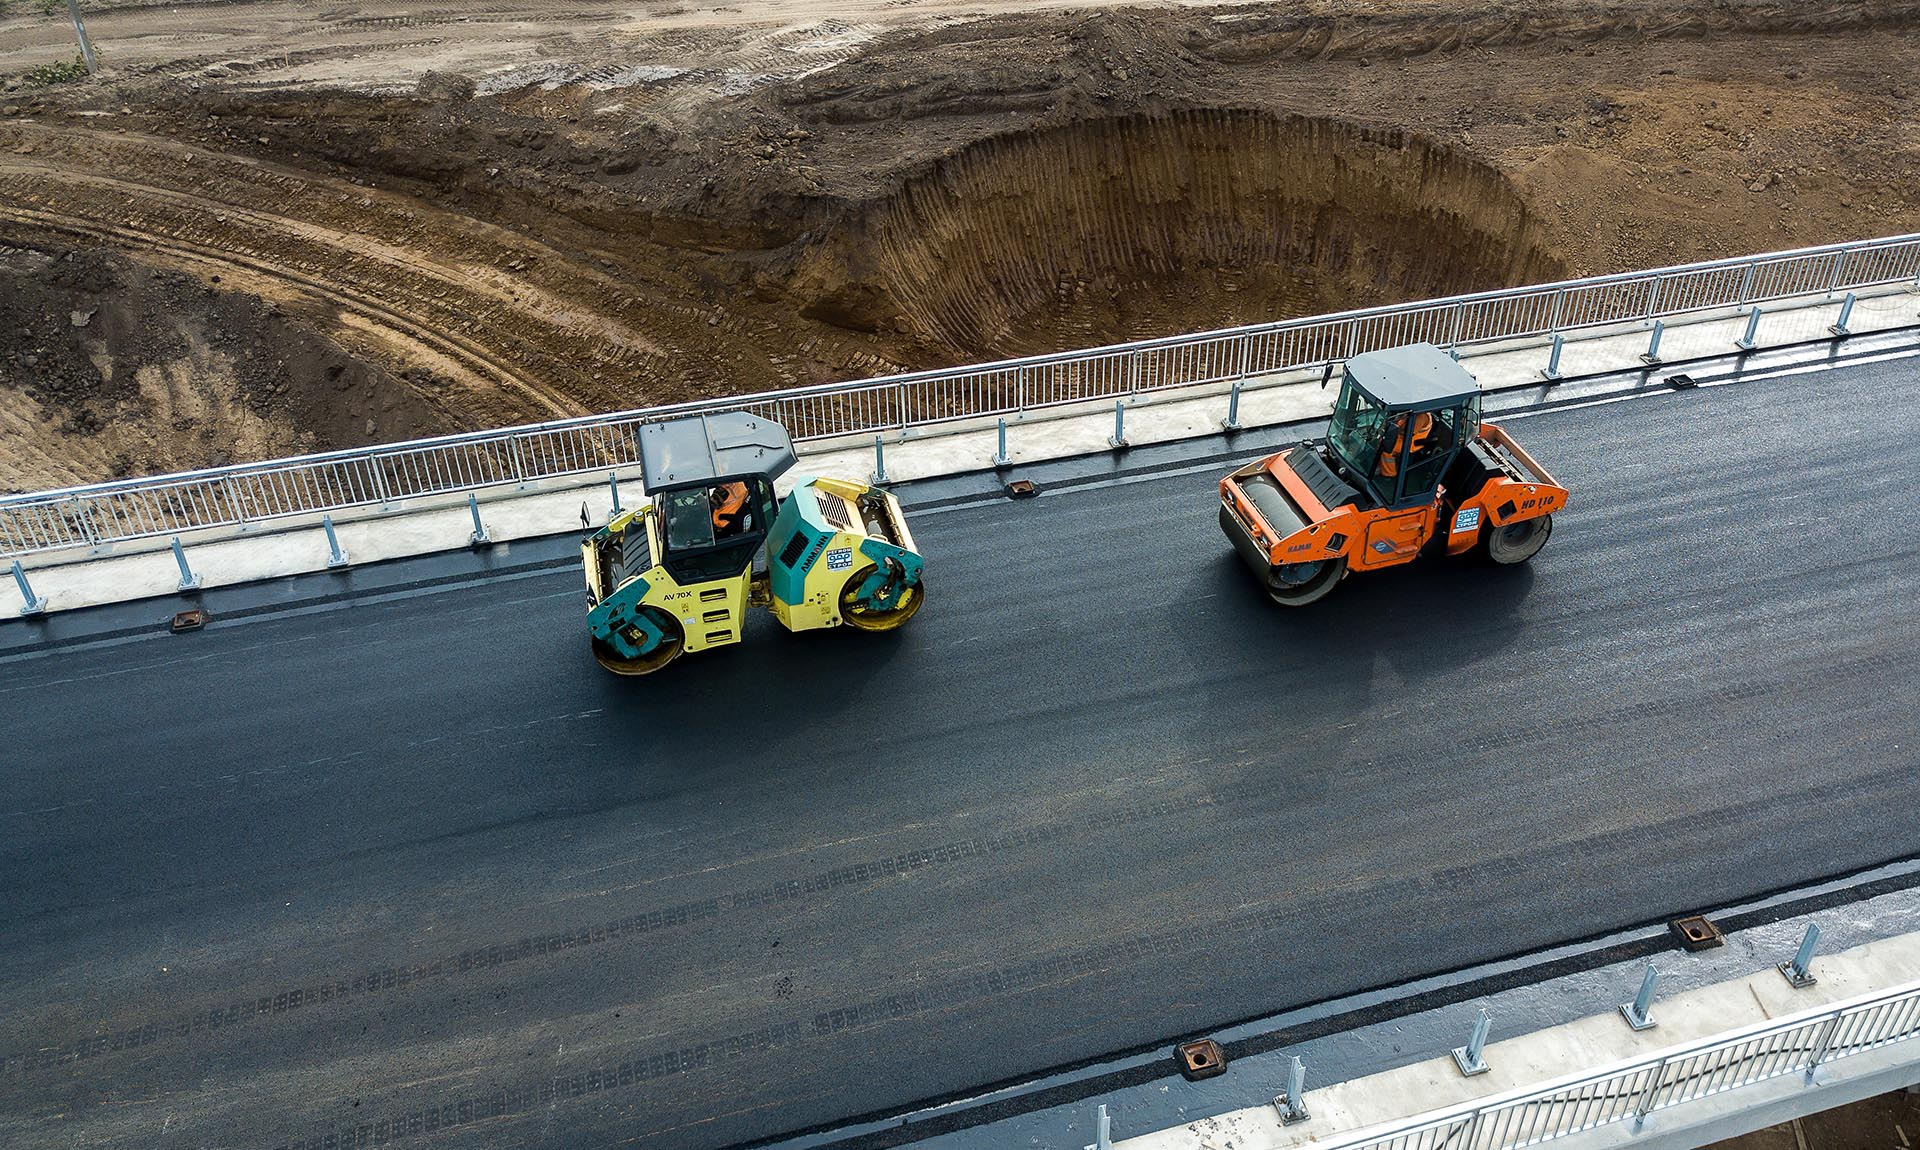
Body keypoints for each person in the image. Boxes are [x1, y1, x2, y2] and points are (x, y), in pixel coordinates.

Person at [1378, 411, 1435, 479]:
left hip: (1410, 443)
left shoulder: (1421, 416)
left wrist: (1392, 427)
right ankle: (1380, 465)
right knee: (1381, 440)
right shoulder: (1413, 411)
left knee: (1386, 449)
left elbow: (1407, 432)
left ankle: (1389, 474)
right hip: (1400, 437)